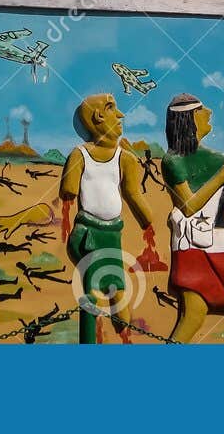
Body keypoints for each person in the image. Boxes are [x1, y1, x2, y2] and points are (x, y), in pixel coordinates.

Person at [161, 93, 224, 343]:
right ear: (189, 119)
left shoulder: (210, 156)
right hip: (193, 248)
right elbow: (187, 206)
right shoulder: (173, 161)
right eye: (202, 111)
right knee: (193, 316)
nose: (209, 114)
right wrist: (221, 175)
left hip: (219, 245)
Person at [59, 93, 156, 344]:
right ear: (99, 117)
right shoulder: (80, 155)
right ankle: (96, 337)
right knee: (94, 289)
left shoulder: (124, 158)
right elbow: (68, 189)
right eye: (114, 109)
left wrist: (148, 219)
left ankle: (123, 337)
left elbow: (133, 194)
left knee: (117, 289)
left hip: (113, 234)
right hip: (88, 234)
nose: (121, 115)